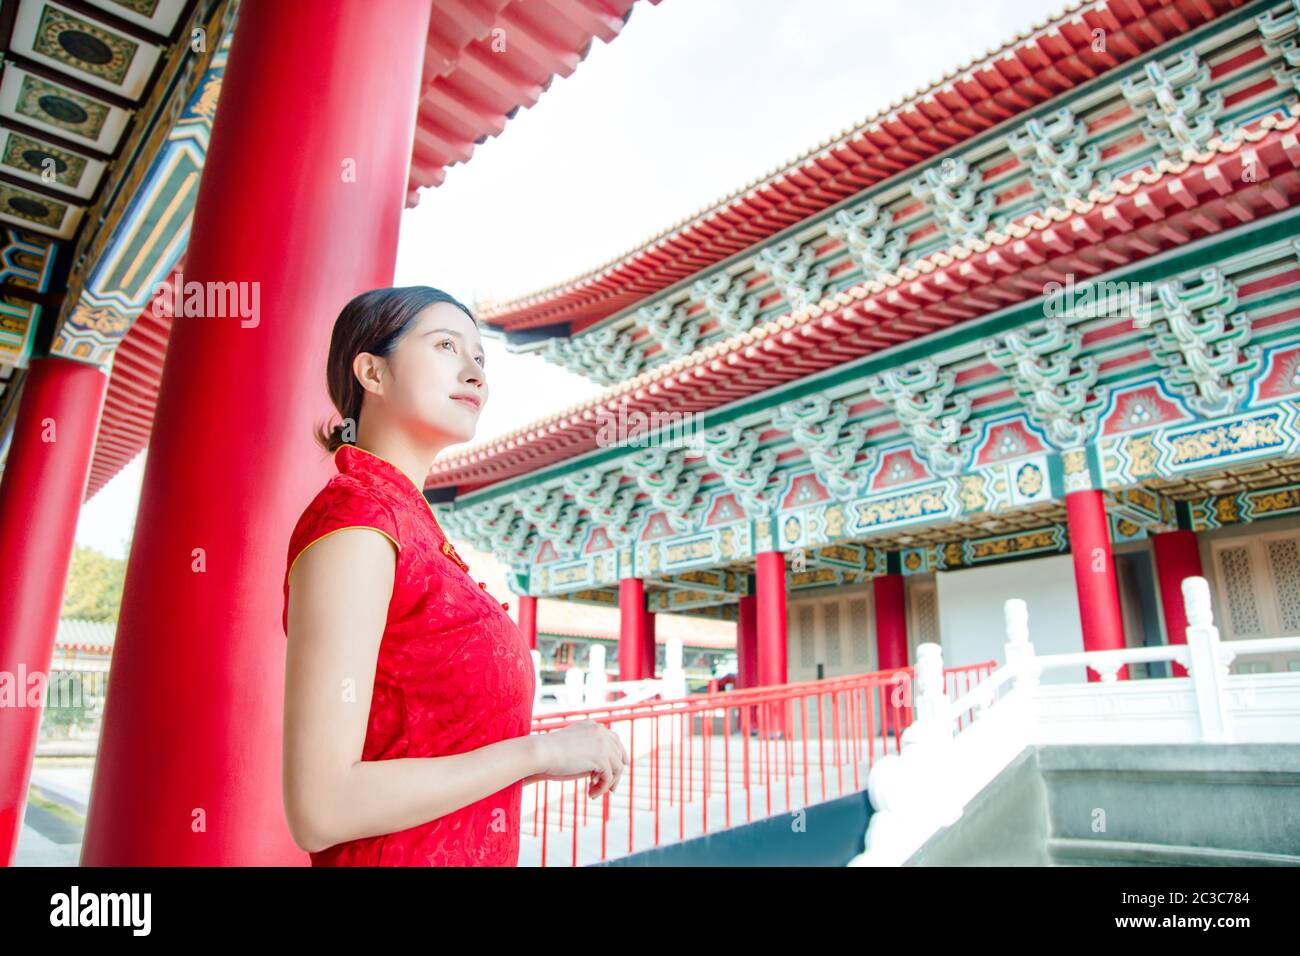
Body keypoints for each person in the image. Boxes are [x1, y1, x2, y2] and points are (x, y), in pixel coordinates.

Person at [281, 285, 628, 865]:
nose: (475, 374)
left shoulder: (417, 531)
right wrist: (537, 753)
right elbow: (321, 807)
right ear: (372, 371)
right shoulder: (360, 523)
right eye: (446, 346)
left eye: (481, 358)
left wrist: (547, 756)